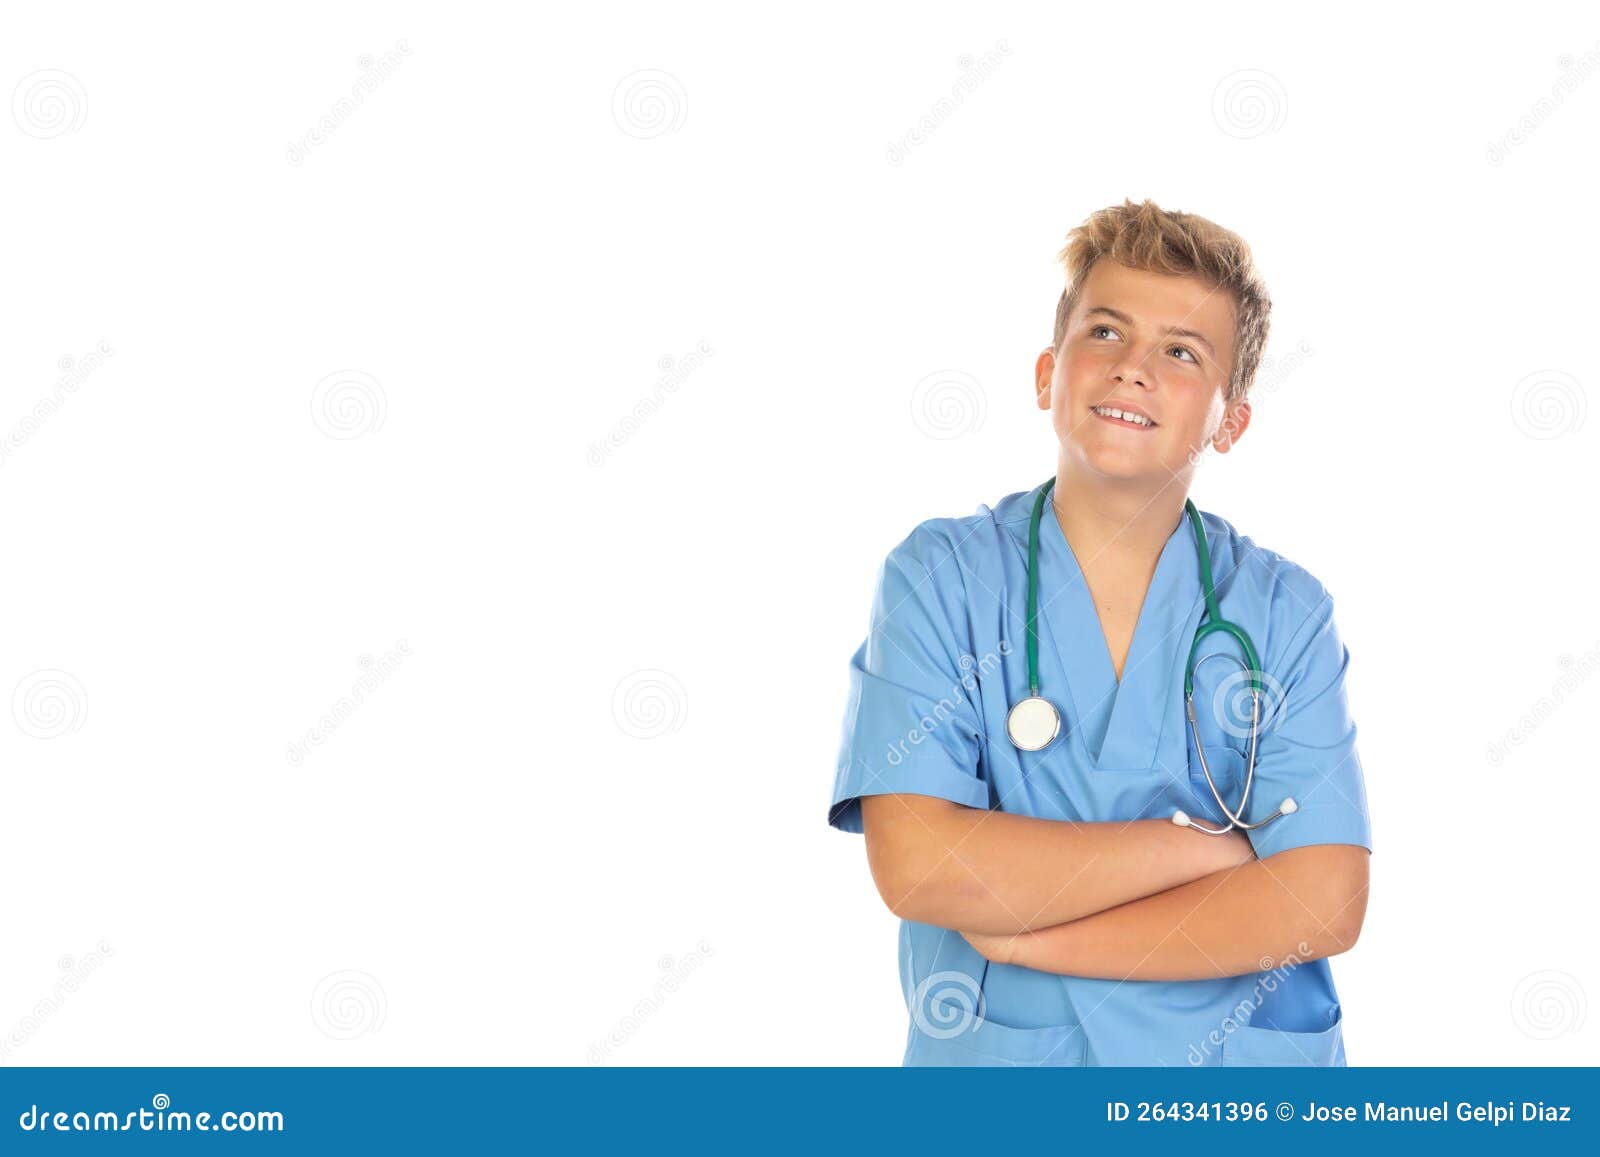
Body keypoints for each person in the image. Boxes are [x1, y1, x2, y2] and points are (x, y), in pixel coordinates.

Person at [827, 198, 1372, 1067]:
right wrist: (1199, 850)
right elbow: (922, 866)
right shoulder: (942, 579)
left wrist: (1032, 939)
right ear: (1049, 374)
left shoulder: (1284, 613)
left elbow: (1322, 901)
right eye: (1107, 333)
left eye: (1182, 351)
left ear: (1230, 421)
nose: (1133, 369)